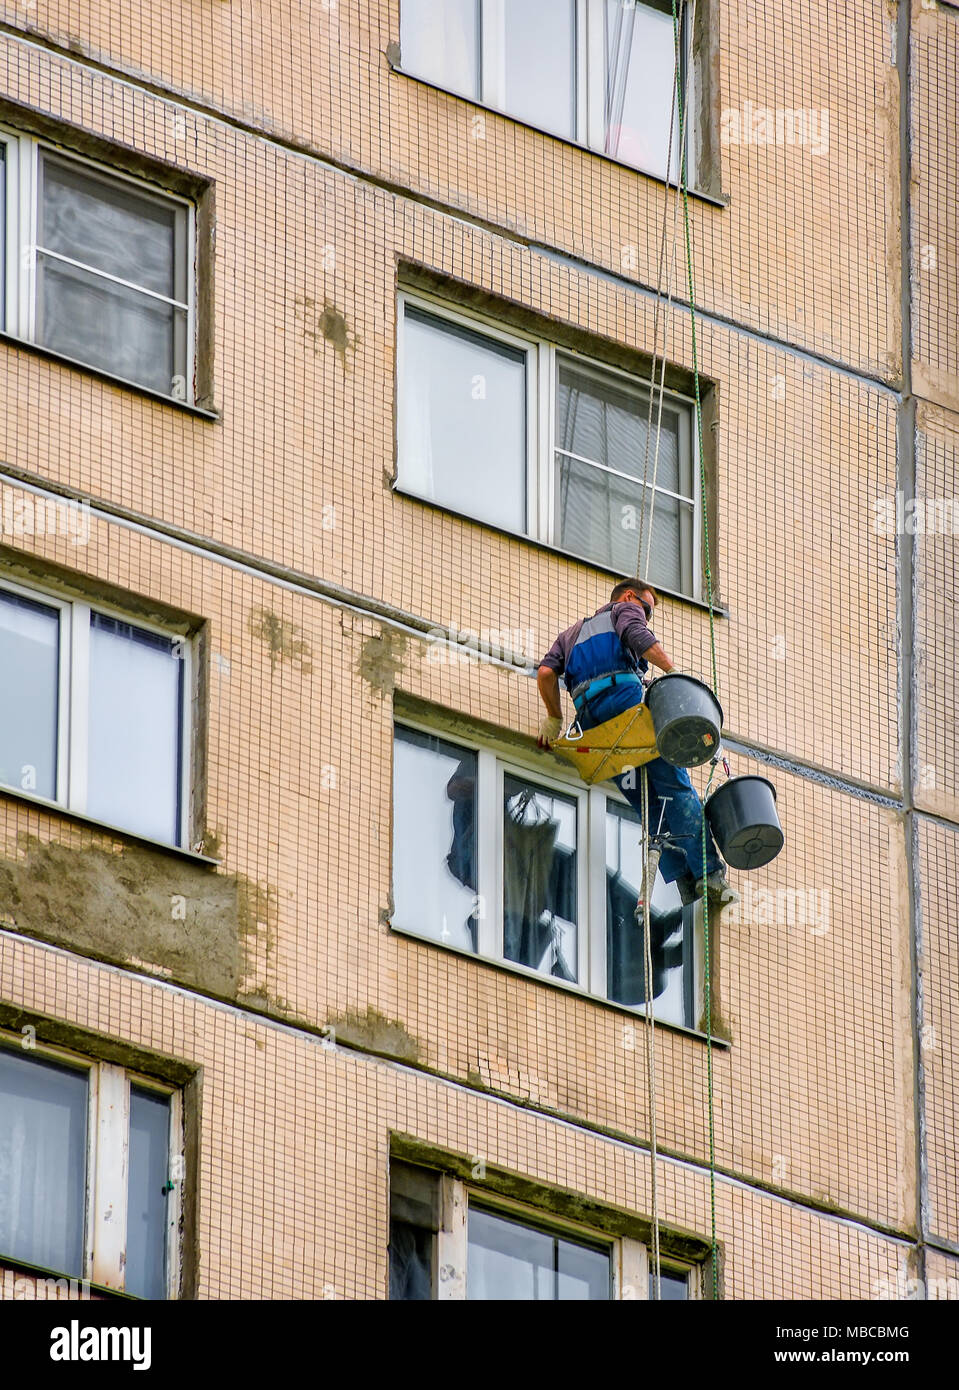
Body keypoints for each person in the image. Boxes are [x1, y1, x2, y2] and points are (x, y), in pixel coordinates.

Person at [535, 578, 737, 909]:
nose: (645, 615)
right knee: (677, 789)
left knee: (649, 804)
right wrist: (674, 673)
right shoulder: (626, 609)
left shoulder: (569, 635)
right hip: (626, 706)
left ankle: (685, 880)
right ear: (630, 597)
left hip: (594, 727)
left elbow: (545, 673)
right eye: (647, 608)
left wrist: (554, 718)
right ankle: (709, 874)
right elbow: (638, 637)